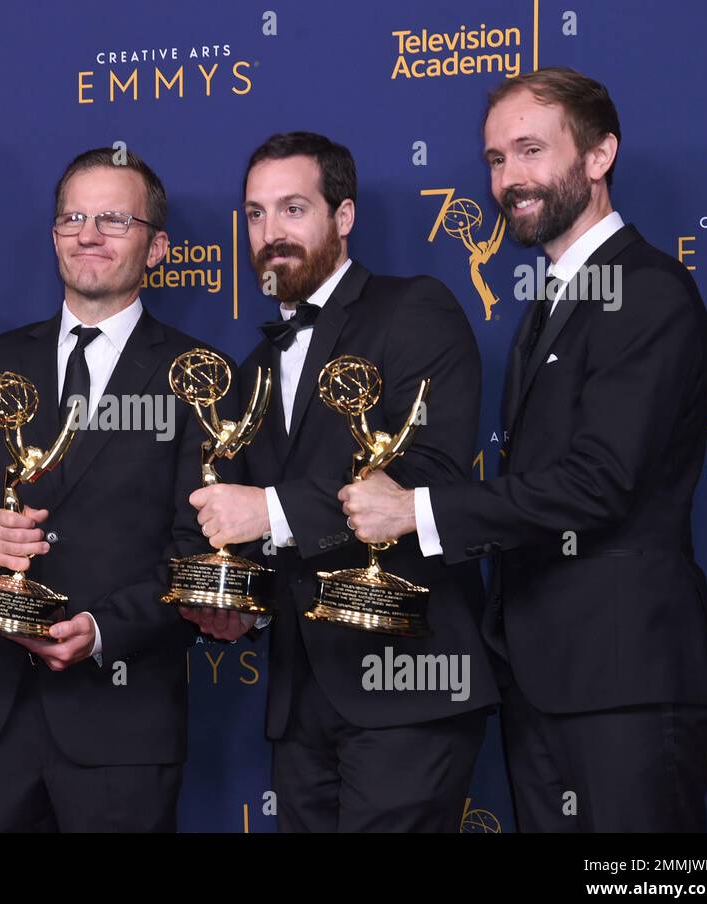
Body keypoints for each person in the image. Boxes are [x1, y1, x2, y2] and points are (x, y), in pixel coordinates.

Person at [338, 67, 707, 832]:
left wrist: (414, 509)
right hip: (546, 678)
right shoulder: (555, 301)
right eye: (494, 160)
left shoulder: (644, 291)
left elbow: (597, 483)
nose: (509, 179)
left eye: (529, 151)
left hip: (626, 683)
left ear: (599, 154)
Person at [185, 132, 499, 832]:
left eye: (293, 209)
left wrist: (267, 510)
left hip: (410, 686)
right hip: (301, 701)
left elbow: (430, 477)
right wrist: (243, 606)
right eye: (256, 214)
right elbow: (276, 548)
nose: (271, 234)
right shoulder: (250, 368)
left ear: (344, 215)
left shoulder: (415, 308)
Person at [0, 148, 215, 832]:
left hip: (121, 727)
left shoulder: (196, 376)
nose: (88, 234)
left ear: (158, 246)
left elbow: (197, 549)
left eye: (113, 218)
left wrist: (107, 629)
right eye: (73, 217)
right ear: (53, 235)